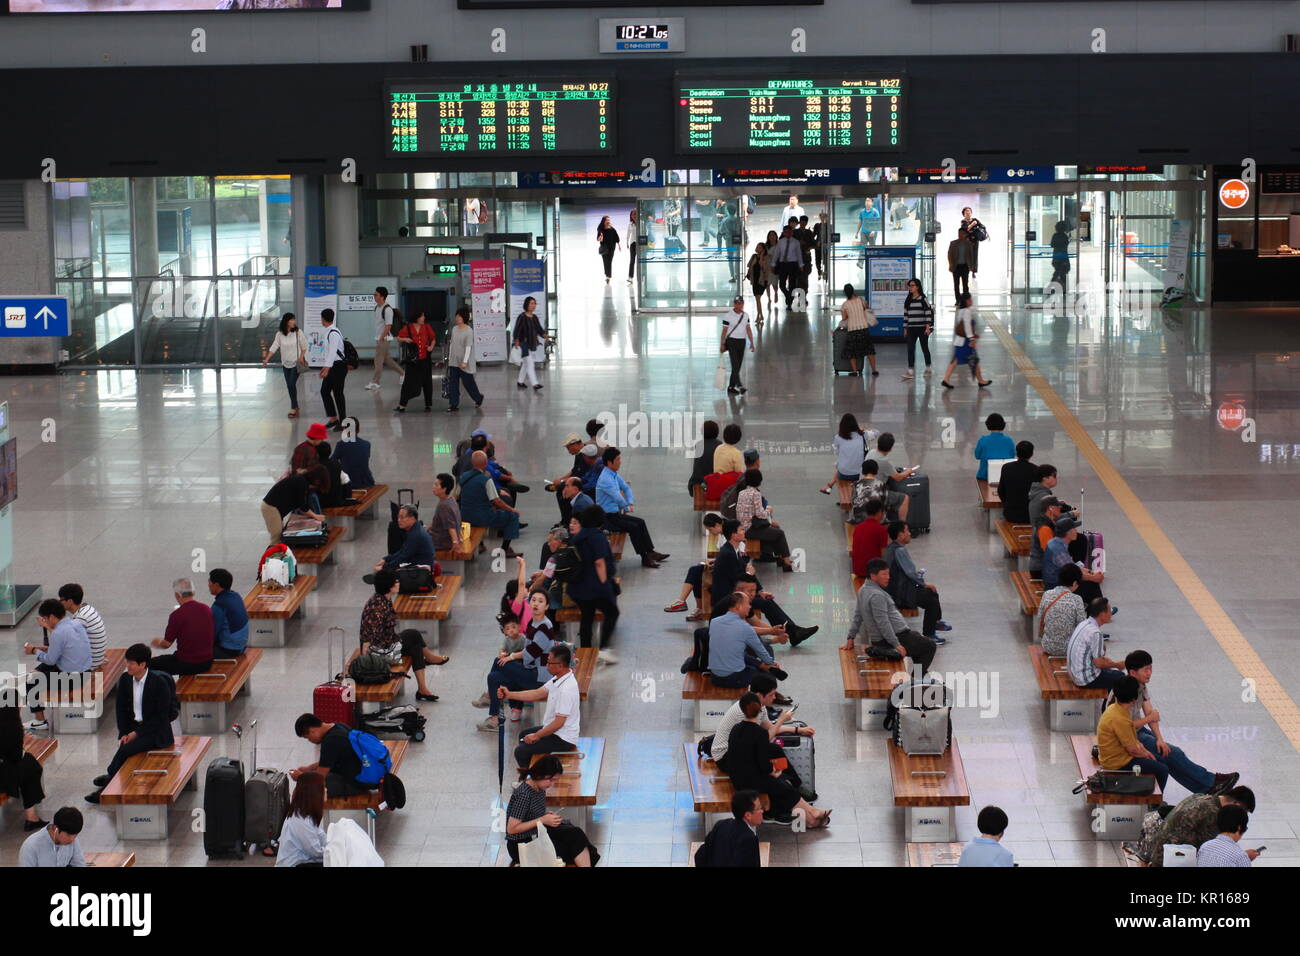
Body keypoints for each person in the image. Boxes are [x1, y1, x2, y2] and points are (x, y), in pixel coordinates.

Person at [1112, 649, 1239, 796]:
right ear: (1133, 673)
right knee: (1172, 754)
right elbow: (1122, 726)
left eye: (1151, 669)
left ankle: (1207, 787)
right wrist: (1149, 719)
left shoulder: (1141, 686)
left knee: (1168, 752)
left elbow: (1150, 713)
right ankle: (1210, 783)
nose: (1149, 673)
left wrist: (1160, 739)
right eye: (1146, 670)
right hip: (1124, 737)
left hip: (1136, 730)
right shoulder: (1124, 690)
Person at [719, 693, 830, 828]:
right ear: (760, 709)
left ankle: (812, 818)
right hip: (750, 781)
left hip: (738, 778)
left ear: (742, 711)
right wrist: (773, 772)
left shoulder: (736, 729)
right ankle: (812, 813)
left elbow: (743, 756)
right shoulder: (759, 734)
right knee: (782, 785)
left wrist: (770, 772)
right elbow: (763, 764)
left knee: (781, 784)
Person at [85, 643, 176, 804]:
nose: (128, 666)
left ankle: (106, 787)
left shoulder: (158, 683)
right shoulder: (126, 680)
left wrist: (136, 734)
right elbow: (121, 709)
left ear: (143, 664)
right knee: (125, 747)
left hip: (156, 731)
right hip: (135, 727)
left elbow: (161, 717)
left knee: (126, 750)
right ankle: (111, 776)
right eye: (127, 662)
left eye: (131, 663)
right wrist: (124, 732)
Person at [710, 519, 817, 645]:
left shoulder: (734, 551)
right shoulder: (728, 553)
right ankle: (791, 632)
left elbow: (746, 576)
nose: (744, 531)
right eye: (741, 530)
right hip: (727, 598)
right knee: (766, 604)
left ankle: (792, 632)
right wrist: (749, 574)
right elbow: (739, 580)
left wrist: (760, 591)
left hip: (736, 592)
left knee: (766, 600)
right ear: (733, 534)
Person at [359, 570, 446, 702]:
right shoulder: (376, 607)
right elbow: (368, 638)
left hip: (387, 644)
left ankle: (423, 688)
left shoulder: (383, 599)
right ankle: (429, 658)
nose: (399, 583)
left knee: (416, 647)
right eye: (396, 581)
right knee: (413, 634)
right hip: (380, 652)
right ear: (390, 586)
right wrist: (366, 660)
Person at [478, 590, 555, 733]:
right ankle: (495, 719)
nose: (536, 604)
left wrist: (511, 657)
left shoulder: (545, 626)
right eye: (533, 600)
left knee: (499, 661)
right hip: (530, 671)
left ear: (547, 606)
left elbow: (531, 653)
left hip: (540, 678)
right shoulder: (534, 622)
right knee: (493, 677)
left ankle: (490, 695)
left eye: (540, 601)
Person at [842, 558, 937, 673]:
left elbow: (858, 615)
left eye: (888, 573)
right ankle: (914, 680)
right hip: (893, 638)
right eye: (884, 574)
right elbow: (883, 623)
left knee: (918, 640)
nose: (888, 577)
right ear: (873, 576)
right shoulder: (877, 595)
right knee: (930, 646)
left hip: (893, 637)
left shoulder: (863, 590)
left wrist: (850, 637)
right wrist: (896, 644)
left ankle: (915, 680)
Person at [498, 643, 580, 773]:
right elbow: (537, 693)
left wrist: (536, 736)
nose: (546, 665)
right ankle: (536, 774)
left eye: (549, 663)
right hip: (555, 731)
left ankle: (527, 782)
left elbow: (559, 722)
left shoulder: (566, 689)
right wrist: (509, 694)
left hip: (563, 738)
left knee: (521, 751)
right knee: (523, 735)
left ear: (560, 665)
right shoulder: (559, 678)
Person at [505, 753, 600, 866]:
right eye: (551, 780)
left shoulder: (539, 788)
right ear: (540, 775)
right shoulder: (524, 794)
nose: (553, 784)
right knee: (568, 850)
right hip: (522, 843)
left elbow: (529, 813)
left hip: (537, 833)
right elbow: (512, 829)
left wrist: (545, 815)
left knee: (576, 834)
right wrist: (542, 819)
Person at [710, 672, 813, 765]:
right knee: (769, 754)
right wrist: (781, 719)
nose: (774, 698)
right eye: (771, 695)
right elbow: (763, 740)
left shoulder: (758, 706)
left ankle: (788, 778)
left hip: (738, 750)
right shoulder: (744, 711)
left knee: (775, 750)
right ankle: (781, 778)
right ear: (759, 695)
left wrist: (799, 730)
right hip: (725, 756)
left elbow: (771, 728)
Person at [1142, 786, 1257, 867]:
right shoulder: (1212, 814)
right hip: (1168, 860)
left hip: (1159, 851)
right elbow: (1213, 854)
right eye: (1243, 812)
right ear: (1236, 805)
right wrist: (1242, 857)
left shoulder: (1201, 797)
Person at [22, 599, 92, 731]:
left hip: (73, 679)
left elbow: (51, 660)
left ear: (52, 617)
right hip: (85, 671)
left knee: (31, 681)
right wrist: (47, 650)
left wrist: (33, 650)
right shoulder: (76, 624)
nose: (45, 622)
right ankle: (35, 677)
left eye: (45, 619)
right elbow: (67, 649)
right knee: (37, 672)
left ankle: (40, 721)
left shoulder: (58, 633)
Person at [596, 447, 669, 568]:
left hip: (615, 515)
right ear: (609, 462)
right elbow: (617, 497)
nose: (620, 462)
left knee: (640, 522)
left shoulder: (613, 475)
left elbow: (626, 488)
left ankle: (650, 552)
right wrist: (626, 506)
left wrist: (629, 502)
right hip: (606, 519)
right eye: (618, 459)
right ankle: (644, 558)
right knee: (633, 527)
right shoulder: (605, 479)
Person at [883, 521, 953, 645]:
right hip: (900, 594)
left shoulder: (891, 548)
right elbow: (910, 572)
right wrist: (924, 584)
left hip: (895, 589)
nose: (910, 533)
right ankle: (929, 633)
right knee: (931, 600)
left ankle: (935, 622)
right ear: (900, 535)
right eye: (907, 531)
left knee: (931, 593)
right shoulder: (900, 550)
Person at [568, 505, 620, 660]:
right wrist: (604, 584)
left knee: (587, 617)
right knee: (612, 612)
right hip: (594, 586)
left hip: (578, 587)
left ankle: (585, 650)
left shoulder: (579, 536)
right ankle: (603, 648)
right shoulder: (597, 537)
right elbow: (599, 562)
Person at [291, 714, 379, 801]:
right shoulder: (338, 726)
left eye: (308, 738)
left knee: (306, 789)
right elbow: (327, 762)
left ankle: (315, 815)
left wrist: (300, 777)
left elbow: (319, 778)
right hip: (367, 773)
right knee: (311, 779)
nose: (310, 741)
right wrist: (308, 768)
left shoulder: (331, 741)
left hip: (358, 783)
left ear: (312, 730)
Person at [707, 591, 784, 688]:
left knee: (748, 660)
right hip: (733, 678)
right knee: (766, 673)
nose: (750, 606)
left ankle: (770, 694)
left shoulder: (715, 622)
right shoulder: (744, 627)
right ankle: (770, 694)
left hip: (715, 677)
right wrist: (772, 664)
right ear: (738, 606)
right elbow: (761, 652)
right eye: (747, 604)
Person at [458, 450, 521, 557]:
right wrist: (511, 509)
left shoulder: (463, 477)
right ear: (486, 463)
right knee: (513, 517)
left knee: (480, 514)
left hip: (465, 516)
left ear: (473, 463)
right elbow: (496, 501)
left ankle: (481, 544)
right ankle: (505, 549)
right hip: (482, 517)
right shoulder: (486, 479)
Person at [149, 578, 214, 676]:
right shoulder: (207, 609)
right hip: (207, 662)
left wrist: (157, 642)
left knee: (148, 664)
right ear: (193, 592)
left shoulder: (177, 615)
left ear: (177, 595)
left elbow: (166, 644)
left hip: (187, 663)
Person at [1, 704, 50, 831]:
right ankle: (31, 817)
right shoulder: (10, 728)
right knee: (29, 764)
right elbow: (16, 756)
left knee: (27, 764)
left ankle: (32, 816)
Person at [736, 470, 793, 572]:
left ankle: (780, 558)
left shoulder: (741, 493)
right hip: (751, 529)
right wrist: (769, 510)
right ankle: (786, 562)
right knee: (779, 533)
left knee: (775, 529)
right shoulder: (756, 493)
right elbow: (760, 514)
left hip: (742, 527)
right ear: (759, 481)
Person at [260, 464, 329, 546]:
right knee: (277, 539)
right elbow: (302, 506)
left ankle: (276, 556)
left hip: (274, 508)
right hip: (270, 507)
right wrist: (315, 516)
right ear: (317, 480)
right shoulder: (301, 482)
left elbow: (300, 505)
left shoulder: (302, 480)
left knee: (280, 537)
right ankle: (270, 557)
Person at [1043, 515, 1105, 603]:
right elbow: (1073, 574)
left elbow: (1072, 566)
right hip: (1055, 586)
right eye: (1074, 529)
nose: (1076, 531)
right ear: (1068, 532)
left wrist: (1090, 572)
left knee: (1090, 583)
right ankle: (1099, 611)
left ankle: (1098, 611)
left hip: (1057, 581)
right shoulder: (1059, 550)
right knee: (1091, 586)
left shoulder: (1056, 542)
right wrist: (1093, 578)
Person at [695, 790, 764, 867]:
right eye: (759, 808)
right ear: (748, 815)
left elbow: (700, 855)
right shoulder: (749, 839)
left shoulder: (721, 824)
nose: (762, 811)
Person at [1067, 598, 1124, 690]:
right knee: (1121, 678)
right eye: (1109, 611)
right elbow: (1099, 664)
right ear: (1102, 615)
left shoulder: (1084, 623)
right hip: (1084, 679)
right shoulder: (1095, 633)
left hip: (1074, 673)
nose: (1111, 614)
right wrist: (1117, 665)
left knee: (1111, 673)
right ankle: (1108, 704)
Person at [942, 293, 993, 388]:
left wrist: (973, 335)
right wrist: (971, 338)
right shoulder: (967, 311)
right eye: (970, 299)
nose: (972, 301)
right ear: (967, 301)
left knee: (957, 359)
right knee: (973, 359)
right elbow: (967, 326)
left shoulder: (960, 310)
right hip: (965, 342)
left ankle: (946, 379)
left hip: (960, 340)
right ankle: (980, 380)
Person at [275, 775, 327, 867]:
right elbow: (316, 852)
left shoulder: (305, 815)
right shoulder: (301, 820)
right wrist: (334, 851)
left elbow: (322, 837)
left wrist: (333, 845)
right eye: (323, 787)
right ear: (314, 793)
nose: (326, 790)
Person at [370, 504, 435, 577]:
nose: (398, 520)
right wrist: (386, 559)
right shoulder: (415, 529)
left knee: (386, 574)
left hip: (422, 571)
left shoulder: (415, 535)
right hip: (418, 564)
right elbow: (403, 551)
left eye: (402, 517)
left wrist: (384, 568)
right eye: (398, 517)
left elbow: (403, 557)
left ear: (412, 518)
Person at [263, 312, 307, 418]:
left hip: (296, 364)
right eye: (291, 320)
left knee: (291, 384)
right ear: (286, 322)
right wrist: (267, 359)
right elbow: (274, 346)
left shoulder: (298, 332)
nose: (294, 322)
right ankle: (296, 407)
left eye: (294, 319)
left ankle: (293, 407)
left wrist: (301, 357)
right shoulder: (279, 334)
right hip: (285, 364)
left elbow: (304, 346)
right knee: (289, 386)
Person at [1036, 563, 1086, 657]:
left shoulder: (1047, 594)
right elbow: (1081, 626)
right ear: (1075, 583)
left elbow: (1040, 616)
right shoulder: (1077, 599)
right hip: (1069, 648)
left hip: (1048, 646)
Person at [392, 310, 436, 412]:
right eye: (422, 316)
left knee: (427, 382)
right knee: (408, 382)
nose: (424, 318)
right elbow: (398, 338)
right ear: (417, 318)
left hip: (425, 359)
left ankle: (428, 404)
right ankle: (402, 405)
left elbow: (433, 338)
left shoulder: (426, 327)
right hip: (413, 360)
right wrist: (405, 340)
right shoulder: (408, 327)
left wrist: (431, 347)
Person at [56, 584, 106, 671]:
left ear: (70, 601)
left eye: (61, 599)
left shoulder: (80, 619)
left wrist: (49, 626)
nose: (59, 602)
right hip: (97, 657)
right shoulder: (88, 608)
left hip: (89, 664)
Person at [821, 412, 867, 502]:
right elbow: (877, 432)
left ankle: (842, 498)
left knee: (841, 467)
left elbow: (837, 453)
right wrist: (863, 430)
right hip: (860, 472)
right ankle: (830, 486)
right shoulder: (863, 435)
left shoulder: (838, 437)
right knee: (842, 466)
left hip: (844, 473)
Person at [836, 284, 878, 378]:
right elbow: (867, 309)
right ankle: (874, 370)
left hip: (853, 330)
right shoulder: (861, 300)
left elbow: (844, 318)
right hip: (864, 328)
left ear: (845, 293)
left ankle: (855, 371)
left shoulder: (845, 305)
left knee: (852, 351)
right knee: (869, 350)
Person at [19, 807, 85, 867]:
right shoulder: (31, 847)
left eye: (76, 835)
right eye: (68, 835)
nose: (72, 839)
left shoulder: (71, 838)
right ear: (55, 828)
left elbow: (79, 864)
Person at [366, 286, 404, 391]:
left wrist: (381, 338)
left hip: (384, 338)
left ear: (382, 296)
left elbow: (388, 326)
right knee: (387, 360)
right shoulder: (377, 307)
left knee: (378, 360)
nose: (374, 296)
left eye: (376, 294)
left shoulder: (387, 310)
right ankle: (403, 374)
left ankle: (375, 382)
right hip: (379, 338)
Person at [446, 306, 483, 412]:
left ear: (464, 317)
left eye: (459, 316)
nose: (457, 318)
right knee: (453, 383)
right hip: (454, 361)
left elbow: (468, 347)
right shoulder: (454, 329)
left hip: (464, 363)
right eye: (456, 316)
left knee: (468, 383)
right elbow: (452, 344)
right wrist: (449, 358)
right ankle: (453, 404)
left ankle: (478, 398)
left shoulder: (469, 331)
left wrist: (465, 362)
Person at [851, 459, 909, 526]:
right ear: (876, 471)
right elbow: (885, 505)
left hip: (858, 520)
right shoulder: (881, 484)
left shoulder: (855, 484)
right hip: (877, 521)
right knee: (904, 497)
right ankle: (902, 526)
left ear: (863, 471)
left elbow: (853, 502)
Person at [318, 307, 348, 431]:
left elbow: (332, 353)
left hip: (338, 367)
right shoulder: (330, 331)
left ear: (323, 319)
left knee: (338, 393)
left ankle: (343, 421)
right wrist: (326, 367)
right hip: (333, 366)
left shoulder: (333, 333)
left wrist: (326, 368)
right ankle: (333, 418)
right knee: (324, 391)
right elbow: (329, 353)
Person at [207, 568, 249, 658]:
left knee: (194, 652)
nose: (208, 584)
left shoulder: (219, 605)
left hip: (230, 650)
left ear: (217, 585)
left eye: (210, 581)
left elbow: (212, 632)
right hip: (242, 645)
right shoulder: (236, 596)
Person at [719, 297, 755, 395]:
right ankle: (739, 386)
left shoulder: (746, 315)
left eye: (740, 303)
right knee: (735, 365)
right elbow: (724, 331)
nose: (739, 305)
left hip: (741, 342)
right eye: (737, 303)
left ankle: (731, 387)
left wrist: (752, 342)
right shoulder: (728, 316)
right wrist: (722, 344)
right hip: (731, 342)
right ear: (734, 304)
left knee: (737, 366)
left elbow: (748, 329)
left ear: (743, 304)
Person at [901, 277, 933, 380]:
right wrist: (905, 328)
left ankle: (928, 368)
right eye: (909, 286)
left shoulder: (923, 299)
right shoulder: (908, 300)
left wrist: (928, 327)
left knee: (924, 348)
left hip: (922, 328)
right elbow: (906, 315)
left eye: (912, 285)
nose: (910, 287)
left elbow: (928, 313)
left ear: (917, 287)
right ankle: (910, 371)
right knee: (910, 349)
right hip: (911, 329)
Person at [997, 441, 1037, 523]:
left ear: (1016, 452)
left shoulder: (1006, 467)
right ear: (1031, 454)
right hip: (1030, 514)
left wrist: (1007, 504)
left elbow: (1001, 491)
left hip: (1010, 513)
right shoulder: (1036, 470)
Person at [513, 296, 546, 391]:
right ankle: (535, 383)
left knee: (526, 363)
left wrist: (544, 335)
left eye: (534, 303)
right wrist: (516, 340)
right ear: (526, 304)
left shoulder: (534, 317)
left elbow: (539, 328)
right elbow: (517, 329)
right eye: (531, 303)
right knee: (530, 363)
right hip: (523, 343)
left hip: (531, 343)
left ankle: (520, 381)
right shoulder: (522, 316)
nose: (533, 305)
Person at [330, 417, 374, 490]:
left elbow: (332, 461)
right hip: (367, 481)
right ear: (358, 430)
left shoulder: (341, 444)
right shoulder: (367, 444)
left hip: (350, 483)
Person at [851, 499, 890, 577]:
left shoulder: (858, 527)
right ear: (879, 512)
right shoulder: (881, 529)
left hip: (857, 569)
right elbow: (884, 555)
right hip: (871, 572)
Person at [1029, 495, 1064, 580]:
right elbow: (1049, 553)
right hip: (1041, 569)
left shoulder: (1047, 521)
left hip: (1044, 566)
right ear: (1050, 508)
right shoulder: (1044, 528)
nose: (1060, 508)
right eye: (1058, 506)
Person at [972, 414, 1014, 481]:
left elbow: (977, 456)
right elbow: (1012, 456)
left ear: (988, 424)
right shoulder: (1009, 440)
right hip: (1005, 476)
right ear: (1002, 424)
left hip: (985, 476)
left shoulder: (983, 440)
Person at [428, 473, 463, 555]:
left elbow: (451, 526)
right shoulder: (451, 499)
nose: (433, 487)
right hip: (443, 538)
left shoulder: (443, 505)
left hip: (441, 542)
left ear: (444, 489)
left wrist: (455, 543)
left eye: (436, 485)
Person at [771, 224, 803, 308]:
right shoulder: (780, 242)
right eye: (786, 232)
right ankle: (788, 296)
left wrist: (801, 265)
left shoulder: (796, 242)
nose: (788, 233)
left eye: (790, 232)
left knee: (792, 284)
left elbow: (799, 254)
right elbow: (776, 254)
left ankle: (789, 303)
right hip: (783, 265)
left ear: (792, 232)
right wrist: (773, 264)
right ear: (783, 233)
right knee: (782, 285)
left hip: (793, 264)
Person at [688, 420, 722, 496]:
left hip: (701, 483)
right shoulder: (720, 445)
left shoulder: (699, 445)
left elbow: (697, 467)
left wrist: (692, 483)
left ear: (702, 432)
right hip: (716, 481)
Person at [947, 226, 976, 305]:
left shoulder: (969, 244)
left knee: (965, 285)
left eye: (962, 234)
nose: (960, 235)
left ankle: (965, 300)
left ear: (965, 234)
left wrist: (972, 267)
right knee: (956, 285)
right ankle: (958, 300)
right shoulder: (953, 243)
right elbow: (949, 255)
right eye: (959, 233)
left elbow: (972, 256)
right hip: (956, 267)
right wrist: (950, 265)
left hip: (965, 266)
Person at [746, 243, 769, 323]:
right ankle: (760, 315)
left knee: (758, 299)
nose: (757, 248)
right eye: (757, 247)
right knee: (757, 299)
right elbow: (749, 265)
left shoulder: (766, 257)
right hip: (754, 280)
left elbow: (763, 267)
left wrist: (762, 256)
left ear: (763, 249)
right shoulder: (754, 256)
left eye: (759, 247)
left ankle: (759, 316)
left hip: (762, 280)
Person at [1048, 220, 1072, 298]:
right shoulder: (1065, 236)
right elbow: (1065, 245)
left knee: (1057, 273)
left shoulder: (1055, 235)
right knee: (1062, 274)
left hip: (1056, 257)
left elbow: (1052, 245)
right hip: (1064, 258)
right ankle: (1063, 290)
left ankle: (1052, 288)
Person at [596, 215, 619, 283]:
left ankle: (608, 275)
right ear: (604, 221)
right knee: (606, 262)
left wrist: (618, 244)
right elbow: (598, 239)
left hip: (612, 248)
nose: (608, 221)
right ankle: (608, 275)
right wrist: (601, 236)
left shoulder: (612, 229)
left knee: (609, 262)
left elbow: (616, 237)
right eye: (607, 220)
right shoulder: (601, 229)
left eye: (609, 220)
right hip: (604, 248)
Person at [626, 207, 638, 284]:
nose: (633, 216)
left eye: (635, 214)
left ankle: (642, 276)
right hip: (633, 244)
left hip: (640, 244)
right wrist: (627, 242)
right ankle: (630, 277)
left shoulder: (641, 222)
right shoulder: (630, 224)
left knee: (640, 261)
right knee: (632, 261)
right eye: (632, 214)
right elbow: (628, 234)